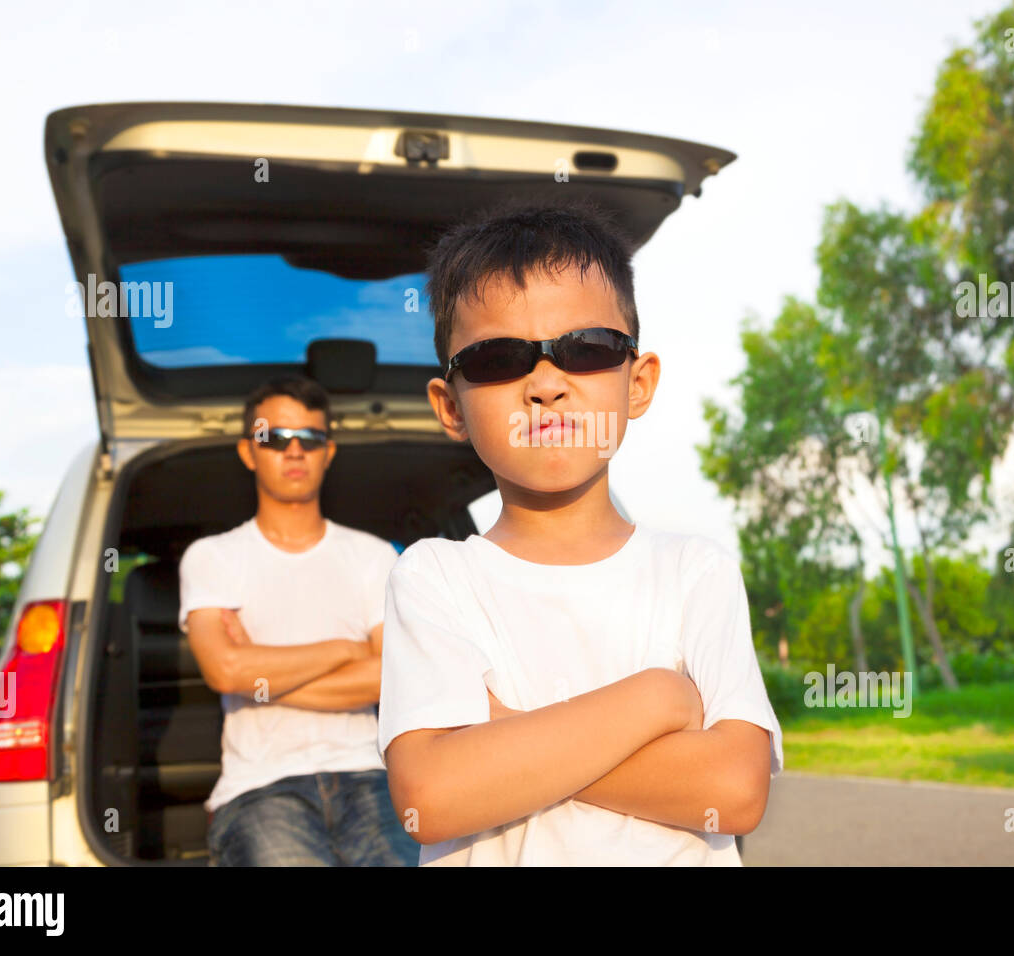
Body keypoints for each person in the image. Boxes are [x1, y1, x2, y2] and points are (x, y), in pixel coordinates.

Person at [378, 198, 783, 866]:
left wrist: (504, 738)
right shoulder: (433, 577)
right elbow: (434, 796)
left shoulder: (695, 571)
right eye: (497, 358)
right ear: (450, 406)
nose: (545, 384)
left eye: (587, 349)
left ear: (639, 383)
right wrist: (659, 697)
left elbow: (734, 790)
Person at [178, 375, 419, 866]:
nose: (293, 451)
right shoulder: (211, 557)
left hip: (371, 777)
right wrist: (346, 650)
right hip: (259, 789)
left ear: (327, 452)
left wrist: (258, 673)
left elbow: (393, 676)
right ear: (249, 451)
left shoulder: (372, 557)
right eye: (275, 438)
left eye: (309, 438)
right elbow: (225, 671)